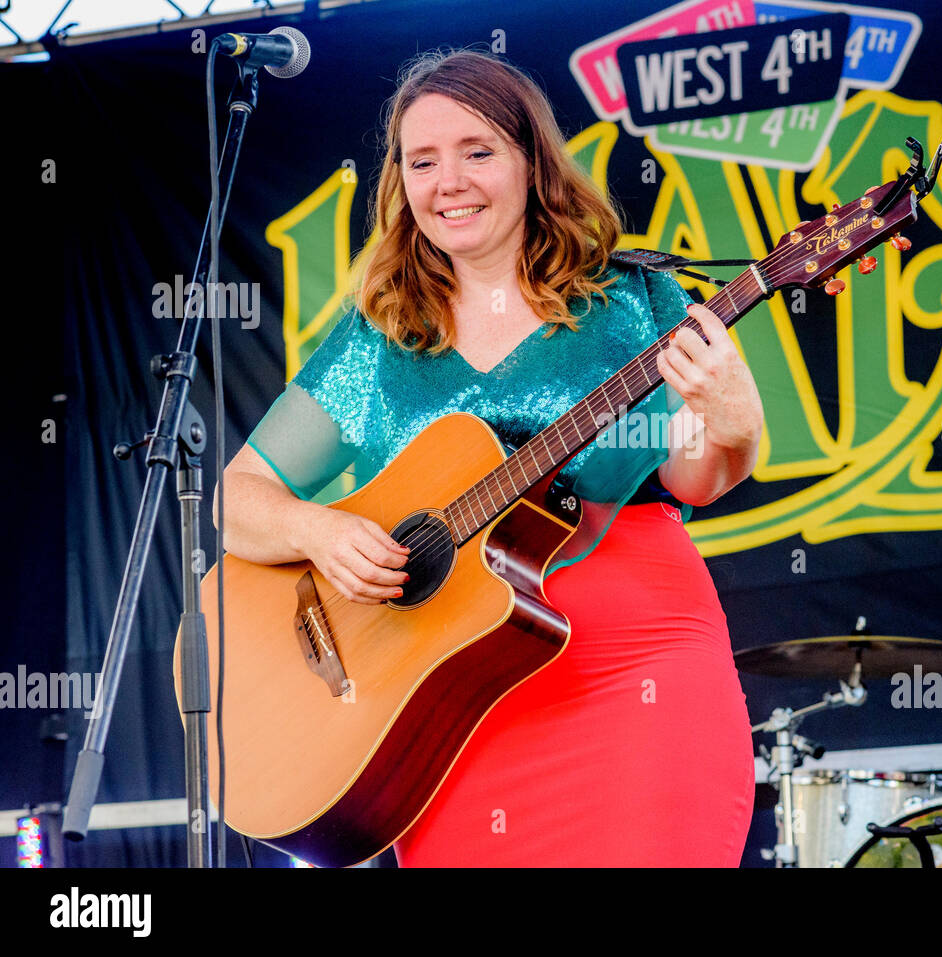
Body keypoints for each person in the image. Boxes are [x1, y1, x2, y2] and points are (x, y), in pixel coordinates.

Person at [215, 49, 763, 865]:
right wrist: (319, 531)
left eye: (477, 152)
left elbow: (695, 474)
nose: (449, 182)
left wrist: (734, 422)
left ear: (531, 162)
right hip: (450, 706)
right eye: (422, 161)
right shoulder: (382, 335)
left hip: (635, 671)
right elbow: (234, 499)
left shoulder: (631, 300)